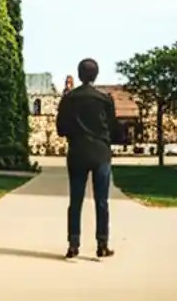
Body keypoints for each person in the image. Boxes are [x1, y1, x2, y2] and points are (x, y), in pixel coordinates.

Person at [56, 58, 117, 259]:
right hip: (100, 153)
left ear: (79, 75)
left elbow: (61, 129)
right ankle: (102, 244)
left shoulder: (69, 99)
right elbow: (114, 129)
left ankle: (73, 244)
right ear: (96, 75)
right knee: (102, 201)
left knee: (75, 200)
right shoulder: (105, 99)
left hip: (77, 152)